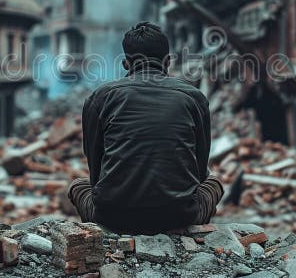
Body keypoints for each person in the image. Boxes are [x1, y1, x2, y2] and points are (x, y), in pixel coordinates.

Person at [67, 22, 223, 233]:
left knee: (78, 185)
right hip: (180, 215)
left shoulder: (100, 98)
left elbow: (95, 169)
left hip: (112, 216)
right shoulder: (194, 97)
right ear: (168, 62)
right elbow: (199, 167)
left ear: (125, 63)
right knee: (214, 183)